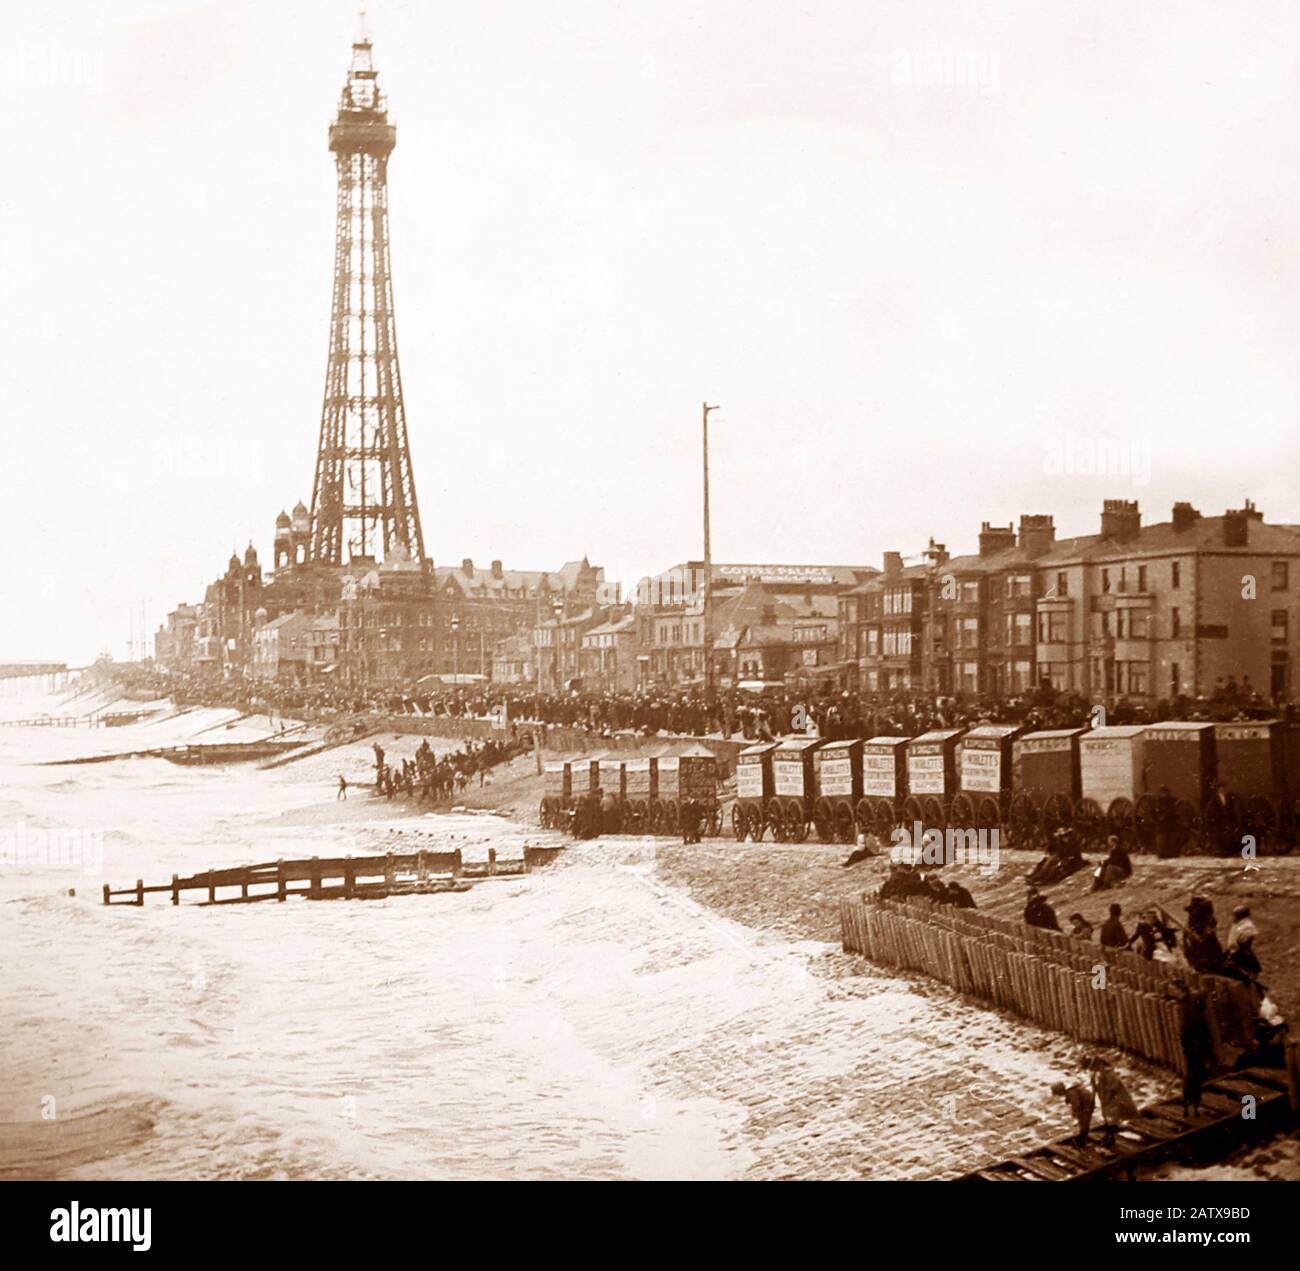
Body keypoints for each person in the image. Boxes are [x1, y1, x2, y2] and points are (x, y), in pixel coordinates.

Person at [1168, 979, 1214, 1118]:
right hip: (1196, 1041)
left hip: (1193, 1043)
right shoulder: (1190, 1001)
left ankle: (1191, 1102)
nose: (1172, 993)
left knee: (1193, 1073)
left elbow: (1191, 1027)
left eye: (1174, 990)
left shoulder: (1187, 1005)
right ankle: (1194, 1102)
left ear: (1181, 991)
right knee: (1197, 1072)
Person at [1089, 1057, 1139, 1148]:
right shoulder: (1097, 1075)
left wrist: (1107, 1098)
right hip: (1105, 1100)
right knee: (1107, 1118)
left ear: (1101, 1065)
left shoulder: (1110, 1074)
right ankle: (1108, 1135)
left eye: (1095, 1067)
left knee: (1112, 1118)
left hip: (1115, 1100)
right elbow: (1095, 1087)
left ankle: (1111, 1138)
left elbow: (1113, 1088)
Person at [1051, 1078, 1095, 1147]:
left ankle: (1082, 1140)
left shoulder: (1071, 1092)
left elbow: (1076, 1104)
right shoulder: (1070, 1091)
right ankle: (1082, 1136)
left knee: (1084, 1121)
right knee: (1083, 1121)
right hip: (1086, 1102)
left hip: (1087, 1105)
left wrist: (1075, 1113)